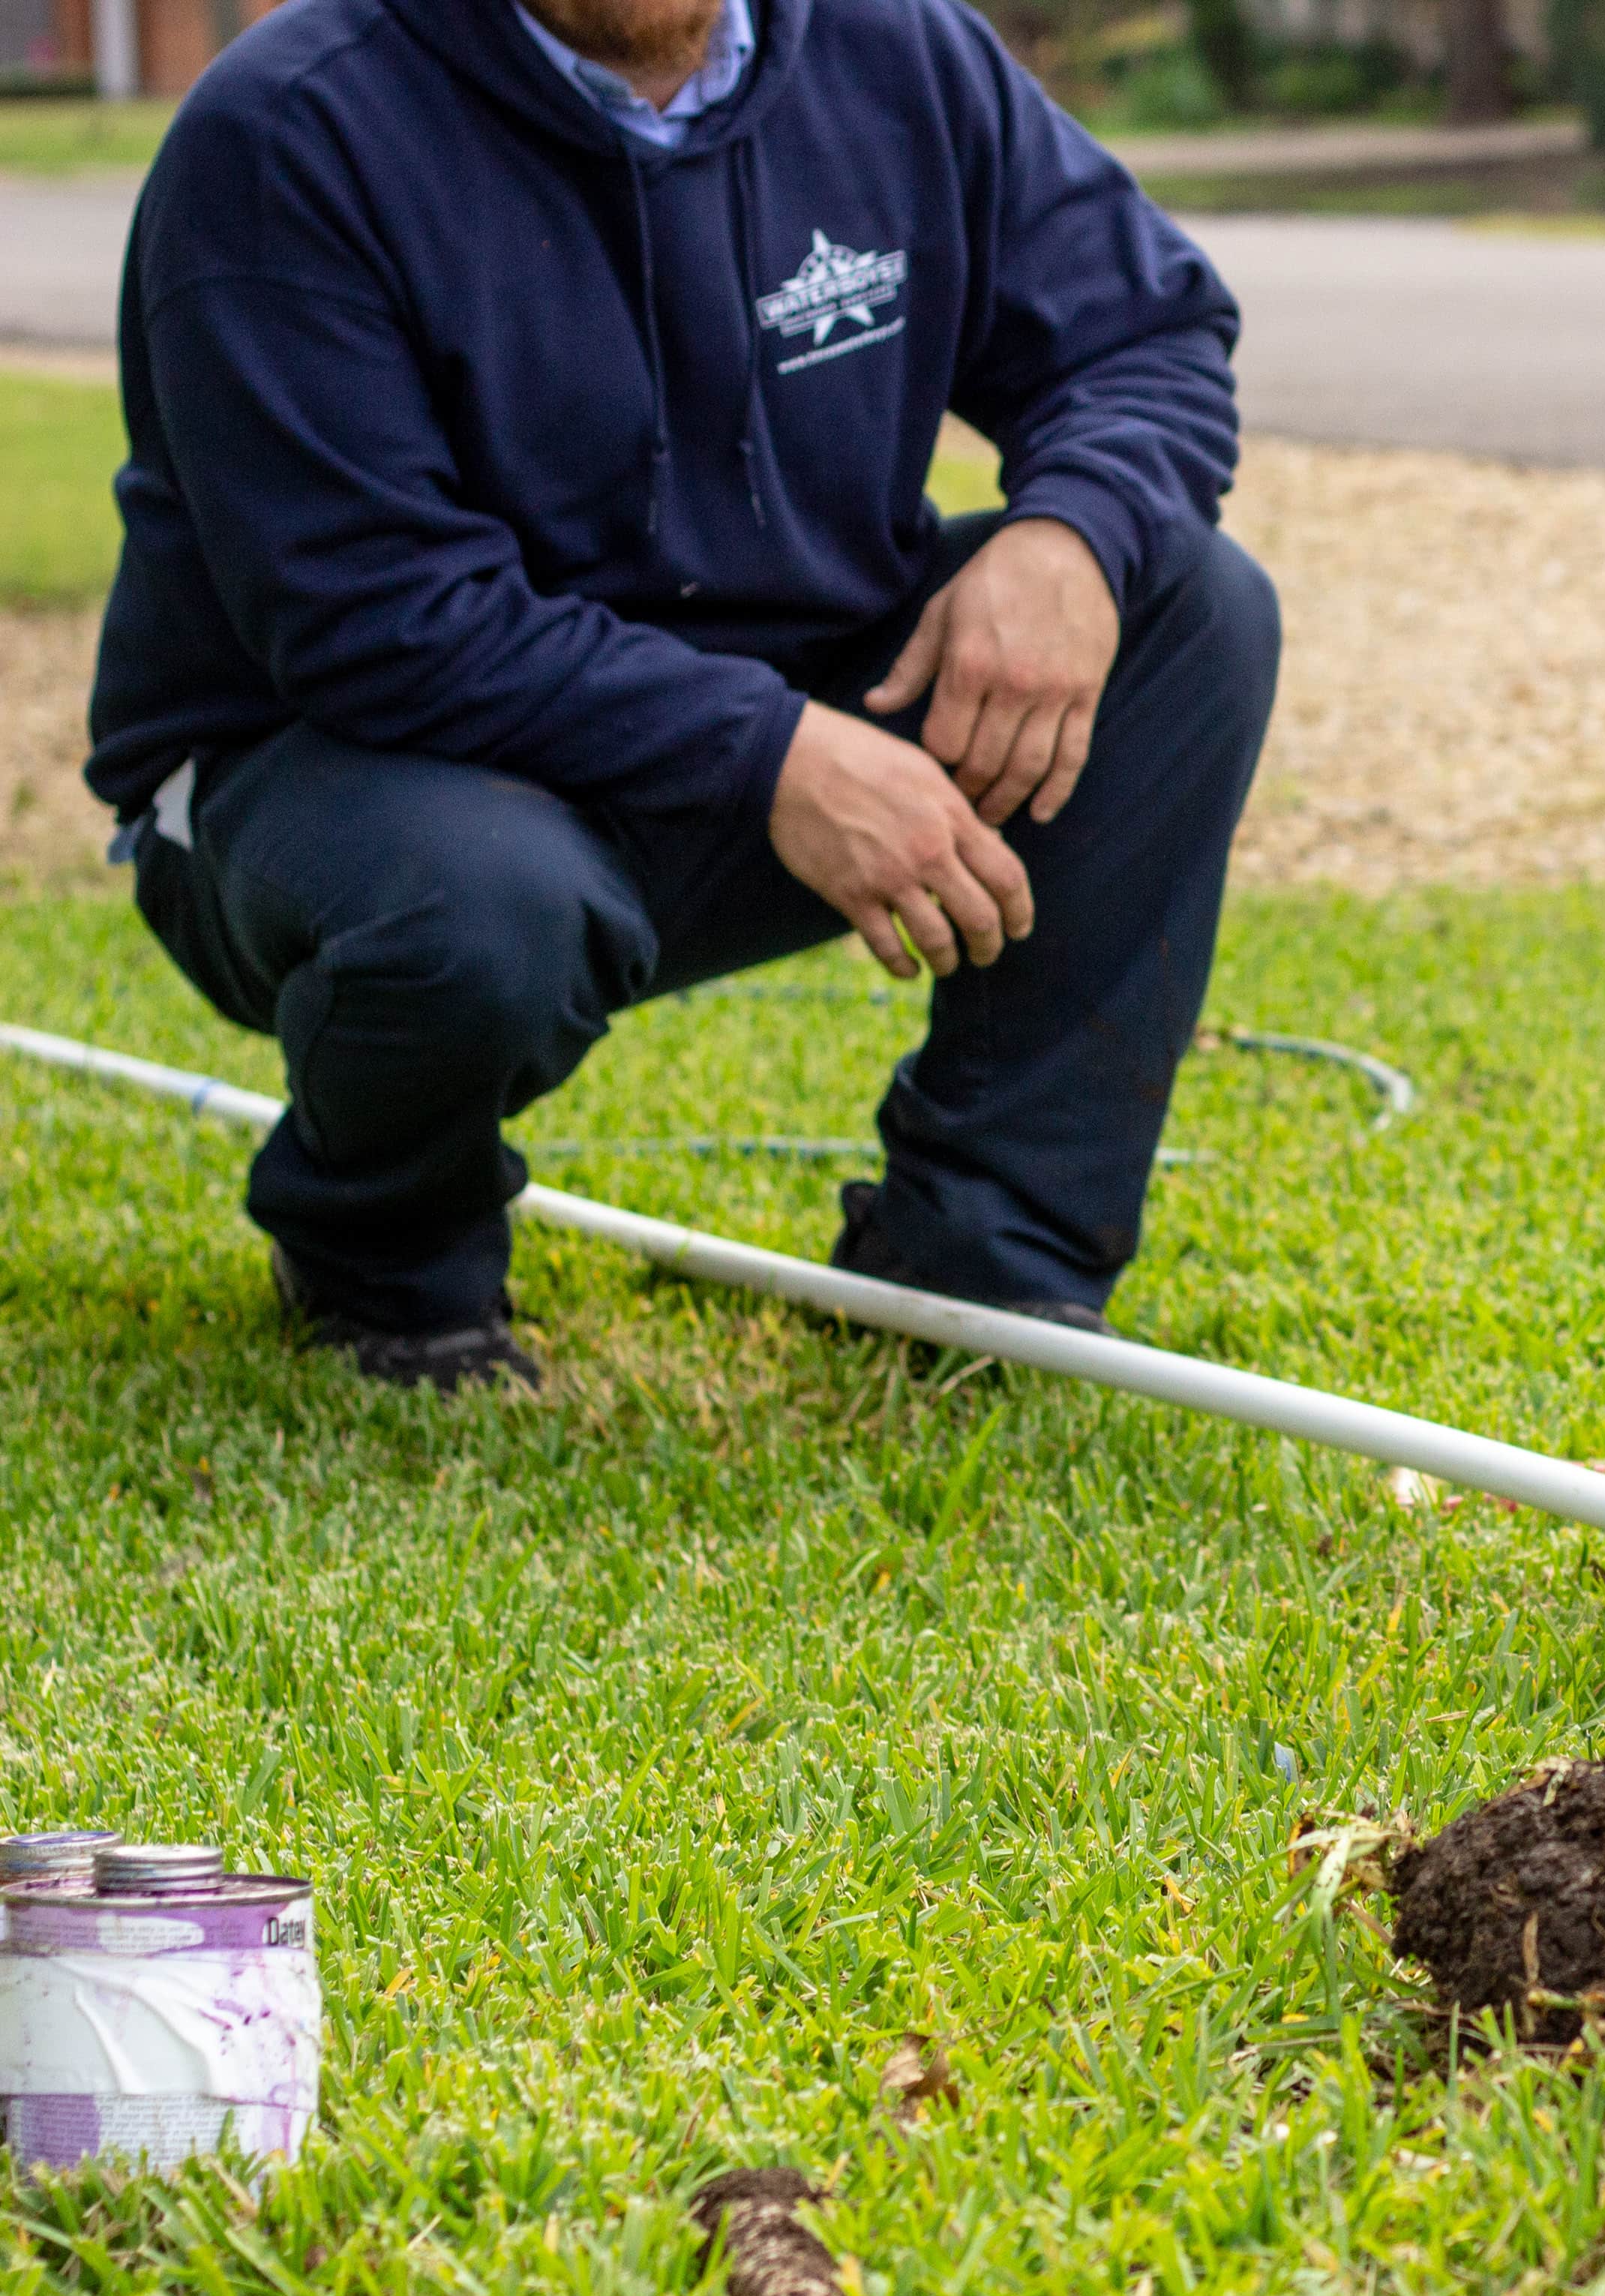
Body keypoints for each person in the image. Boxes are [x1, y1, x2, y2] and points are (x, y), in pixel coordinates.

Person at [83, 0, 1278, 1391]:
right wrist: (771, 756)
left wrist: (1073, 532)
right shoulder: (291, 130)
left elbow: (1146, 333)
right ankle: (383, 1258)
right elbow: (370, 615)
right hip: (345, 767)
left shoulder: (900, 51)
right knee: (481, 910)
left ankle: (982, 1266)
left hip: (760, 726)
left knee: (1188, 608)